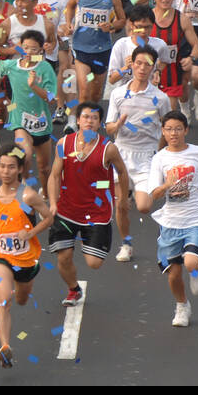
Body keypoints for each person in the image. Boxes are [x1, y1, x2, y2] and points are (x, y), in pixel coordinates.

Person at [136, 111, 198, 328]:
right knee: (173, 275)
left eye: (178, 128)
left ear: (186, 130)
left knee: (190, 262)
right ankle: (182, 305)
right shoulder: (159, 159)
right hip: (170, 222)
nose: (173, 133)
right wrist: (168, 184)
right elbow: (154, 194)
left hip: (196, 217)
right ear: (163, 132)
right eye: (169, 129)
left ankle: (195, 269)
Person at [48, 103, 132, 307]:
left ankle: (89, 239)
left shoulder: (108, 148)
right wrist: (52, 203)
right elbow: (55, 175)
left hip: (97, 212)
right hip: (67, 210)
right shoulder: (63, 143)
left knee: (94, 263)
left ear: (99, 123)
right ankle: (73, 290)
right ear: (78, 121)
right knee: (63, 258)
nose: (89, 121)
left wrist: (122, 199)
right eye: (85, 117)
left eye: (94, 118)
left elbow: (122, 172)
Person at [0, 136, 54, 368]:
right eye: (2, 166)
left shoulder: (28, 195)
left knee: (21, 299)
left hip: (26, 259)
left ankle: (22, 290)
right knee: (4, 300)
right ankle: (5, 346)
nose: (5, 171)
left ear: (20, 169)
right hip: (1, 255)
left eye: (11, 167)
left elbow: (49, 218)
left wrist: (31, 232)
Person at [105, 46, 169, 263]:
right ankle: (126, 244)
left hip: (146, 157)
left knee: (144, 207)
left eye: (147, 64)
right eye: (138, 63)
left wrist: (160, 154)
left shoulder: (160, 98)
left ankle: (133, 192)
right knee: (121, 204)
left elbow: (167, 127)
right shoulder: (118, 93)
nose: (142, 68)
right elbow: (109, 129)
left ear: (154, 67)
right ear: (131, 64)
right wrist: (118, 124)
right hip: (121, 154)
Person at [0, 29, 58, 187]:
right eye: (25, 47)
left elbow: (51, 99)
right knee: (25, 155)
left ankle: (44, 195)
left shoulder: (45, 68)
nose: (28, 52)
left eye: (33, 49)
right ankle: (23, 190)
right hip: (20, 123)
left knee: (44, 168)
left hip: (42, 125)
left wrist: (34, 86)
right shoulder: (11, 66)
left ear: (40, 51)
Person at [62, 0, 126, 112]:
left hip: (101, 49)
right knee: (84, 91)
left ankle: (93, 121)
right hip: (81, 48)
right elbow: (70, 7)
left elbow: (122, 20)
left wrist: (111, 26)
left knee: (95, 94)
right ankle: (82, 126)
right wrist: (69, 23)